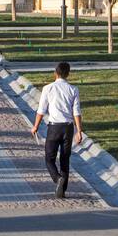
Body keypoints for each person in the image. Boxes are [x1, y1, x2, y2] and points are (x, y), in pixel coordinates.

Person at [30, 61, 83, 198]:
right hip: (68, 128)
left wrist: (35, 126)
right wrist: (79, 131)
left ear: (55, 73)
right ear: (68, 74)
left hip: (54, 127)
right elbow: (76, 112)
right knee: (65, 159)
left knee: (49, 158)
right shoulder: (73, 89)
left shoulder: (48, 88)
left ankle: (57, 178)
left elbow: (41, 110)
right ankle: (62, 191)